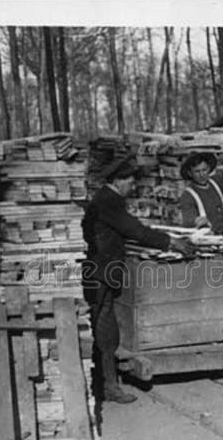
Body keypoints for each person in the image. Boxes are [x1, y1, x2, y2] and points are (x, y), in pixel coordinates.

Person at [82, 154, 194, 404]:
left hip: (102, 271)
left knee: (105, 327)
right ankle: (107, 387)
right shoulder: (108, 201)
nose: (132, 187)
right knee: (103, 328)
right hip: (101, 273)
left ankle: (107, 384)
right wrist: (171, 241)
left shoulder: (106, 199)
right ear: (119, 180)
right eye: (130, 182)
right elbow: (134, 230)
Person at [179, 152, 223, 235]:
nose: (202, 174)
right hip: (207, 238)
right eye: (197, 171)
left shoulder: (217, 181)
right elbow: (189, 219)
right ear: (190, 173)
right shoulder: (187, 195)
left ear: (209, 169)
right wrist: (197, 221)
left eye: (204, 170)